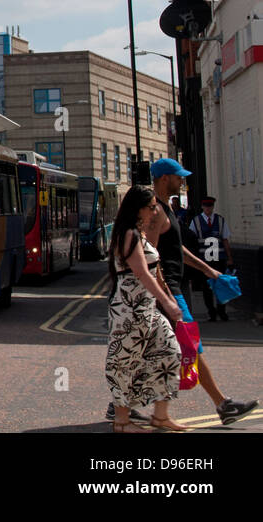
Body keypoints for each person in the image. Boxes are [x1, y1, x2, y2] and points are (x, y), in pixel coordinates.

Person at [146, 158, 257, 425]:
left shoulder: (167, 210)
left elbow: (177, 250)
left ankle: (131, 406)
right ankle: (221, 404)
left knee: (175, 349)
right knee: (188, 347)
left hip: (172, 288)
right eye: (177, 176)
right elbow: (149, 255)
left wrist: (210, 271)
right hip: (169, 289)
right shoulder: (155, 211)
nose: (182, 180)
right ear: (164, 179)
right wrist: (164, 294)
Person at [105, 185, 185, 432]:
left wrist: (167, 300)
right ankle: (121, 419)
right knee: (125, 362)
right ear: (138, 209)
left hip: (147, 309)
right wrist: (169, 304)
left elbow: (155, 271)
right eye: (151, 207)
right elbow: (141, 273)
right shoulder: (128, 234)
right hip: (129, 310)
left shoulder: (138, 233)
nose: (155, 211)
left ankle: (160, 416)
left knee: (170, 353)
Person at [187, 196, 233, 321]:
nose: (208, 208)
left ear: (213, 207)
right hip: (204, 260)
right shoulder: (195, 221)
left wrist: (230, 258)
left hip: (219, 259)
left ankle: (221, 310)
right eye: (206, 206)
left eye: (210, 206)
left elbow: (225, 240)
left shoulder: (220, 220)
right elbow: (192, 241)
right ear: (202, 207)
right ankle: (211, 312)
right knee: (206, 287)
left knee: (220, 285)